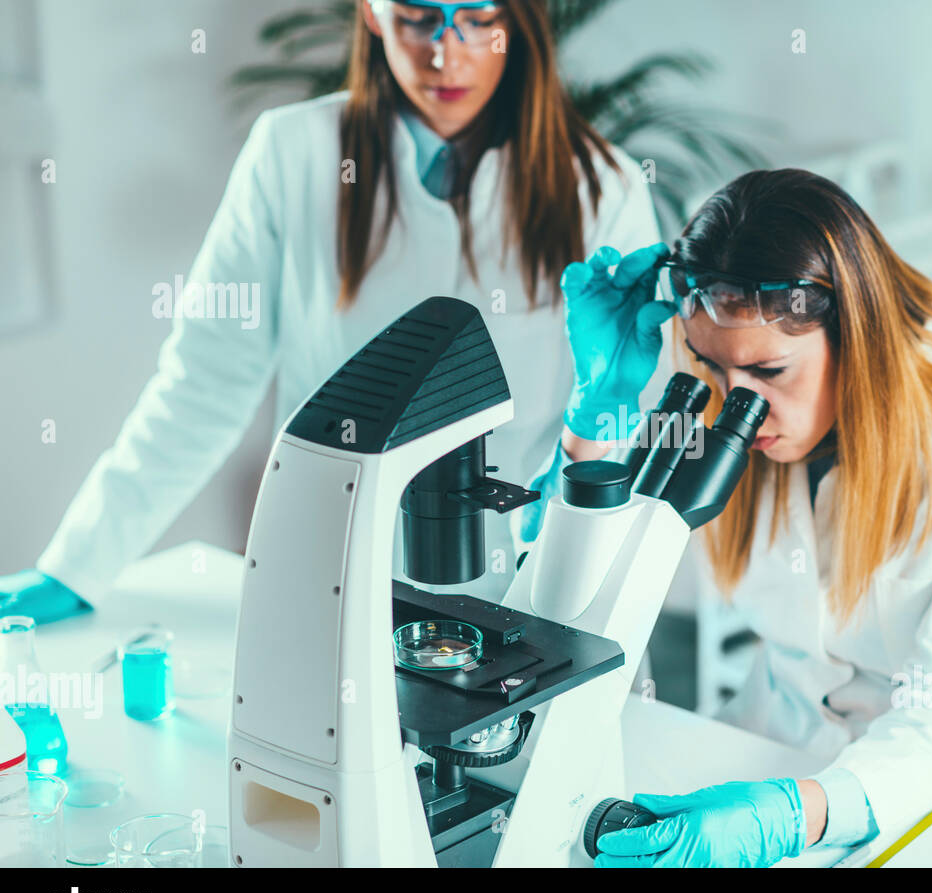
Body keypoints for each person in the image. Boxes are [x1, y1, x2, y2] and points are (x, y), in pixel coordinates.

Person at [0, 0, 659, 622]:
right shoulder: (293, 155)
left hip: (529, 581)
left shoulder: (604, 189)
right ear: (372, 10)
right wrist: (77, 564)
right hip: (338, 577)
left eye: (479, 18)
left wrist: (597, 436)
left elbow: (631, 426)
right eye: (419, 19)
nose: (445, 55)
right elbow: (203, 384)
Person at [544, 169, 932, 867]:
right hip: (773, 750)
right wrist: (592, 422)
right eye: (712, 366)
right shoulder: (717, 390)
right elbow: (570, 613)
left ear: (856, 335)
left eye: (770, 372)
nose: (738, 405)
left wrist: (795, 815)